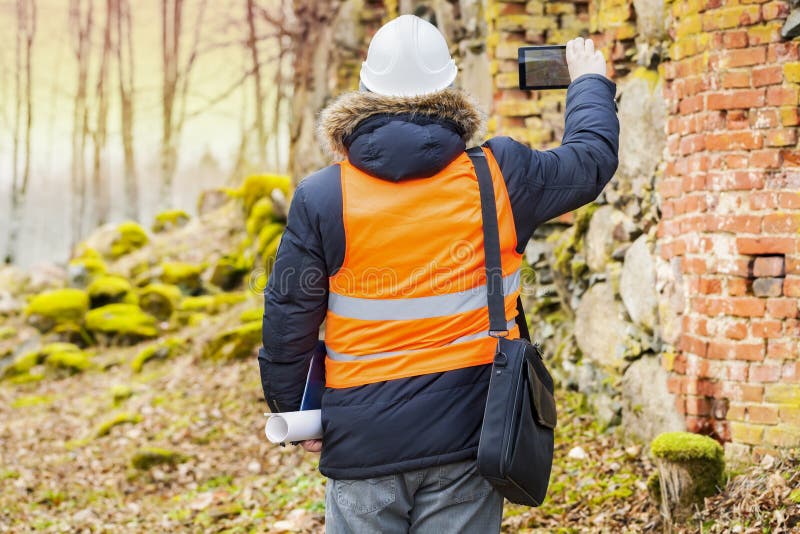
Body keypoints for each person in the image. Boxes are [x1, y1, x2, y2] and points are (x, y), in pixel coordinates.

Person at [258, 14, 619, 534]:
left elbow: (288, 319)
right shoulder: (500, 175)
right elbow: (589, 162)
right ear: (450, 87)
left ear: (365, 87)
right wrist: (588, 82)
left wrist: (295, 414)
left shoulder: (322, 196)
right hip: (469, 433)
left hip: (362, 441)